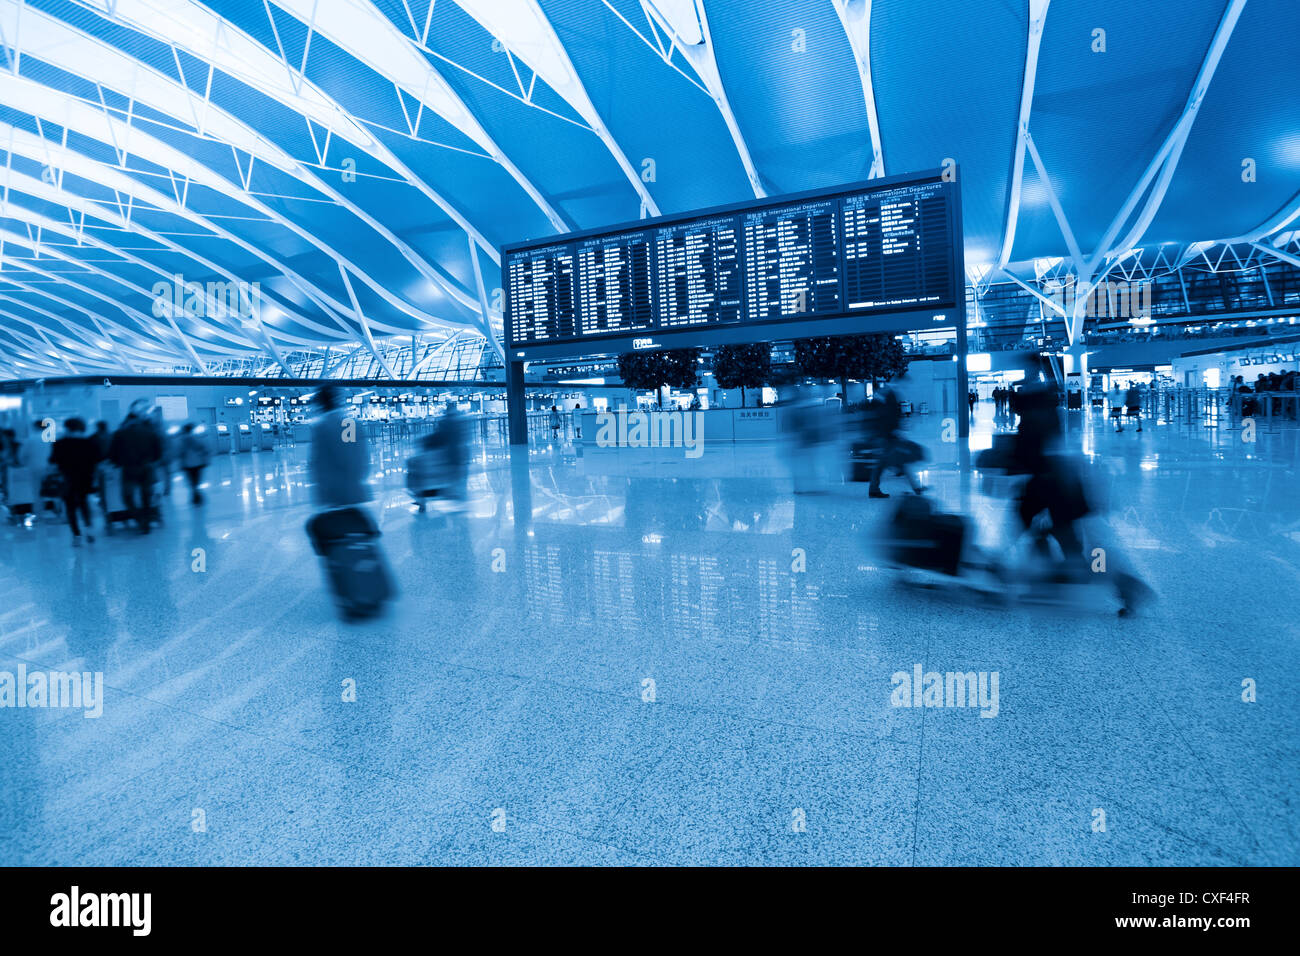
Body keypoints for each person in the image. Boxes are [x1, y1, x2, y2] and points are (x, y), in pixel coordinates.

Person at [309, 385, 370, 509]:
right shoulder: (351, 423)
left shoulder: (321, 426)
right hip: (355, 491)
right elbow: (356, 457)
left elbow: (318, 464)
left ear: (320, 404)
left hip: (333, 495)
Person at [868, 368, 924, 499]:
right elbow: (886, 415)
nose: (907, 386)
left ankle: (915, 487)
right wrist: (895, 430)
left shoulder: (888, 392)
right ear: (900, 380)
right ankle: (915, 488)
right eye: (906, 383)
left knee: (894, 461)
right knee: (891, 461)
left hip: (886, 434)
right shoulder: (890, 393)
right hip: (887, 435)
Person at [109, 399, 163, 533]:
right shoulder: (150, 432)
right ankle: (146, 521)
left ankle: (140, 519)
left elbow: (112, 453)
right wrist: (151, 461)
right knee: (146, 495)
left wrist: (117, 463)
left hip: (128, 469)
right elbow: (158, 453)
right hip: (146, 468)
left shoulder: (120, 433)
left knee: (127, 497)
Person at [49, 417, 102, 545]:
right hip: (85, 478)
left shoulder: (60, 444)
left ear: (67, 428)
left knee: (70, 507)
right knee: (84, 503)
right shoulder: (90, 443)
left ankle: (76, 535)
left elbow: (53, 461)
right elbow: (97, 461)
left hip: (67, 478)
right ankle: (89, 529)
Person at [177, 423, 211, 506]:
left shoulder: (181, 440)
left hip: (187, 464)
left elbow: (179, 452)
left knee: (192, 482)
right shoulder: (197, 437)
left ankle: (195, 497)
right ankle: (197, 497)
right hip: (198, 462)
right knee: (196, 481)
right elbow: (204, 448)